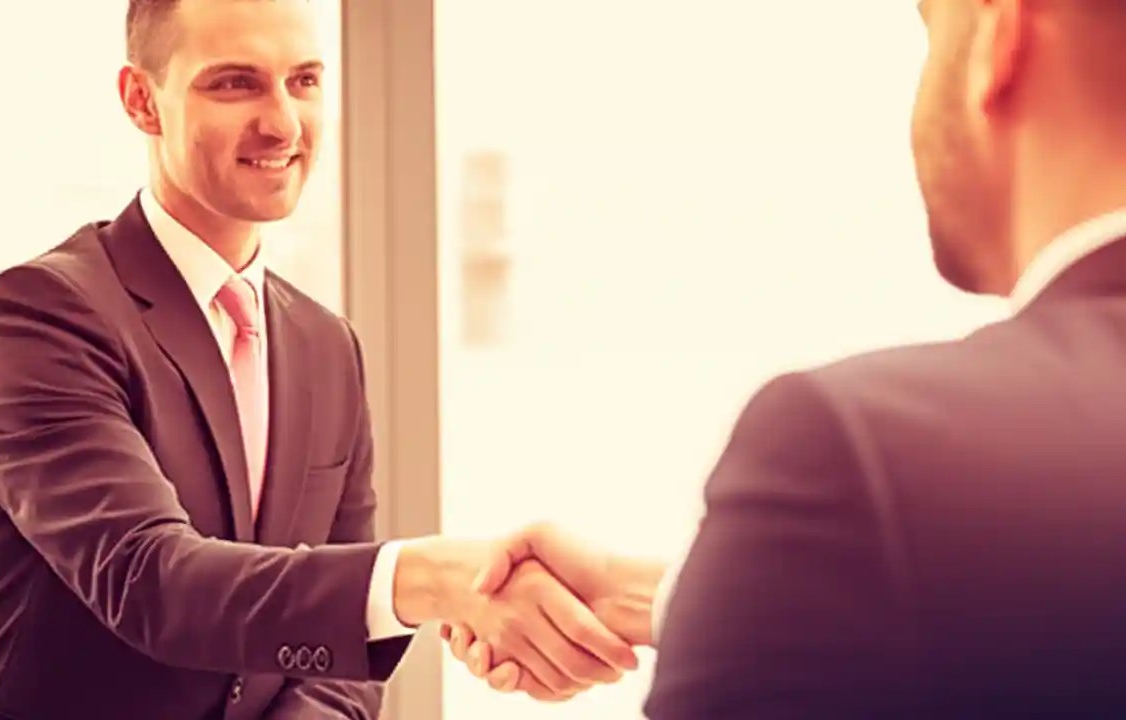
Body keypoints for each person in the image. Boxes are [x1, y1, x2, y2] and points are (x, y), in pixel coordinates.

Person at [0, 1, 638, 718]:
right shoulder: (42, 314)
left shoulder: (326, 345)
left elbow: (341, 663)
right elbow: (153, 583)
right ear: (143, 101)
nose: (284, 124)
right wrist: (435, 576)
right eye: (235, 84)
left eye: (303, 81)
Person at [452, 0, 1126, 716]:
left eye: (932, 28)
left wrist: (798, 557)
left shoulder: (853, 452)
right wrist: (710, 588)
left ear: (1002, 37)